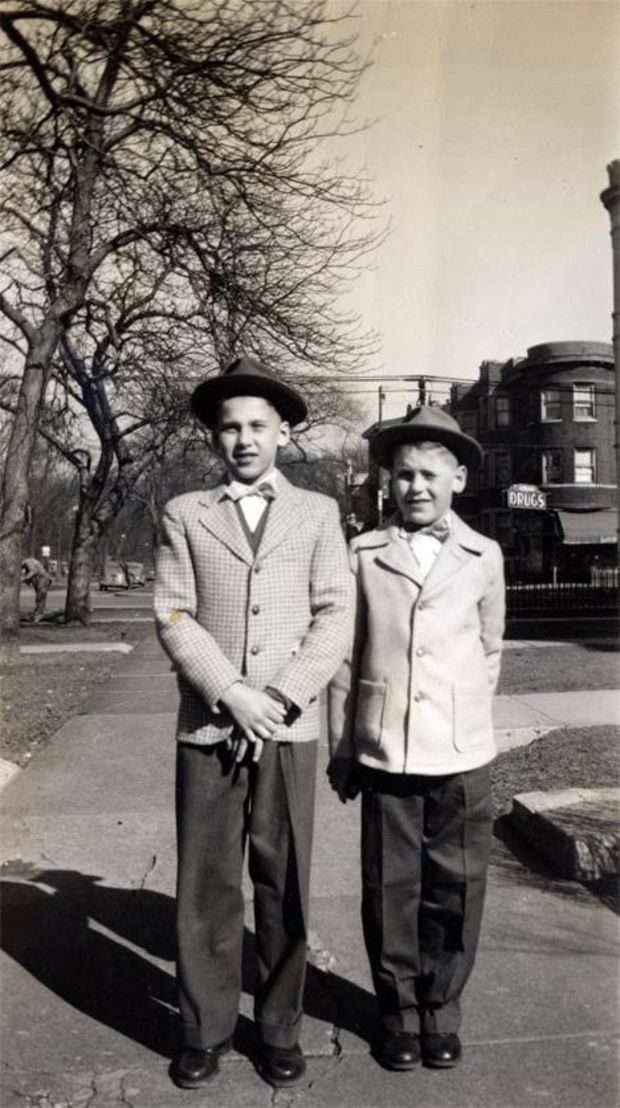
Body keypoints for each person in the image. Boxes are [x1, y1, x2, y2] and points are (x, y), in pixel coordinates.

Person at [154, 355, 352, 1091]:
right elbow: (173, 614)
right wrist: (231, 693)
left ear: (283, 433)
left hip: (288, 731)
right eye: (230, 427)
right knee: (206, 883)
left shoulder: (318, 513)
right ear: (213, 437)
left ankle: (278, 1029)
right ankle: (204, 1028)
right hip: (208, 727)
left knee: (284, 881)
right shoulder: (186, 514)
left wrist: (281, 699)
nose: (244, 439)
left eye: (258, 426)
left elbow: (335, 614)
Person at [328, 406, 505, 1073]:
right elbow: (345, 655)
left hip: (462, 753)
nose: (416, 487)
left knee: (456, 887)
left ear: (458, 478)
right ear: (387, 482)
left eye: (431, 474)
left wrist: (465, 717)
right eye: (403, 475)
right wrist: (346, 745)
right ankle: (397, 1015)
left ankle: (441, 1011)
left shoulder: (484, 556)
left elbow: (490, 648)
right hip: (386, 747)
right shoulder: (364, 554)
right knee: (389, 886)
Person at [21, 556, 53, 623]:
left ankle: (38, 616)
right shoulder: (29, 562)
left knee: (40, 598)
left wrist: (24, 578)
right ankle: (37, 614)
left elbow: (33, 571)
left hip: (42, 579)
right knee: (40, 598)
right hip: (41, 579)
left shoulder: (27, 562)